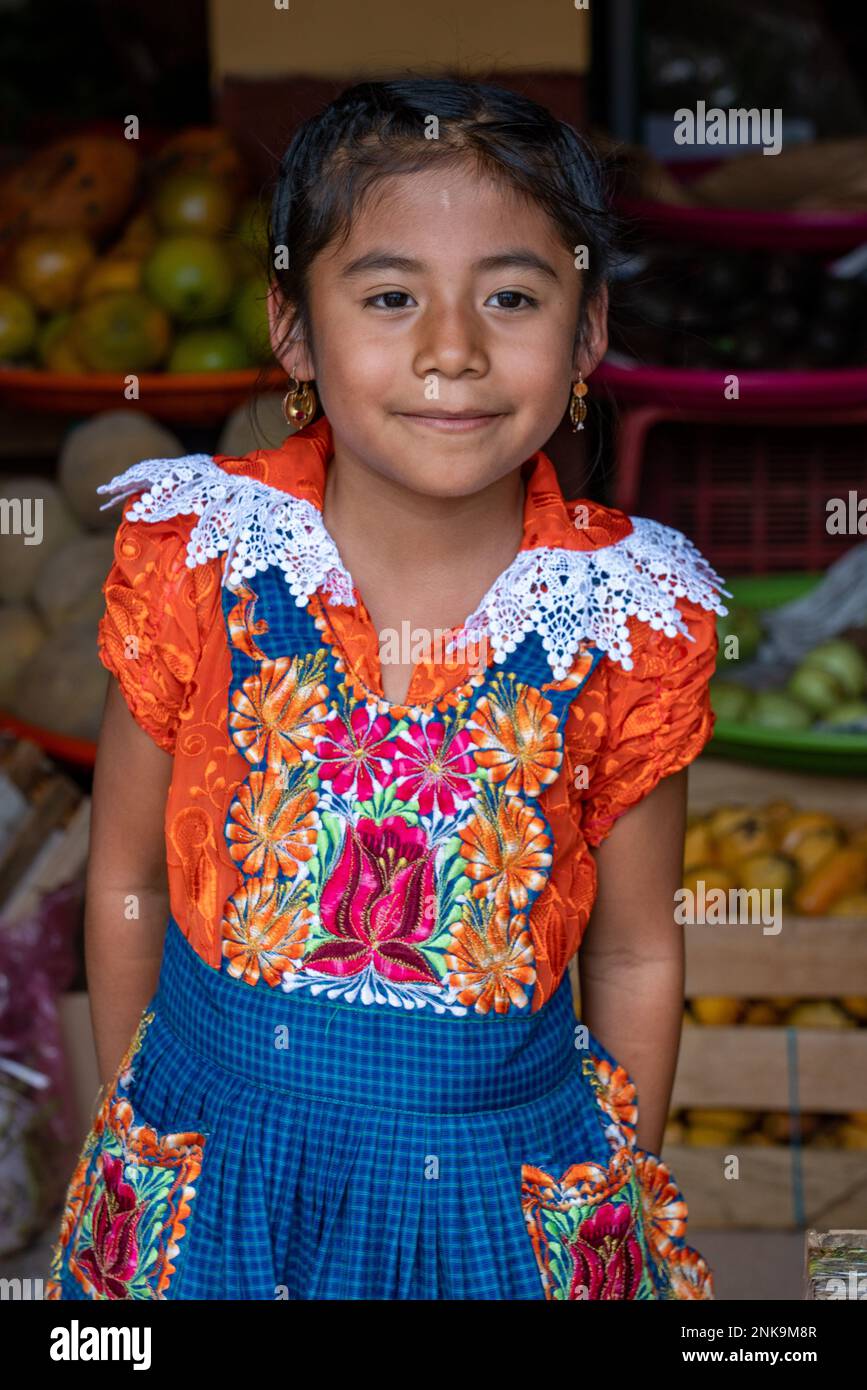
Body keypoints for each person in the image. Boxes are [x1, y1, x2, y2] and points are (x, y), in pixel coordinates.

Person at [46, 77, 728, 1301]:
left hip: (500, 1198)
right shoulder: (203, 561)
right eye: (391, 296)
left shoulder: (629, 623)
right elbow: (130, 872)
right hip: (217, 1173)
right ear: (292, 329)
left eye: (512, 297)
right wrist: (138, 1139)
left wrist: (605, 1198)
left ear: (586, 338)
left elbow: (631, 954)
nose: (452, 349)